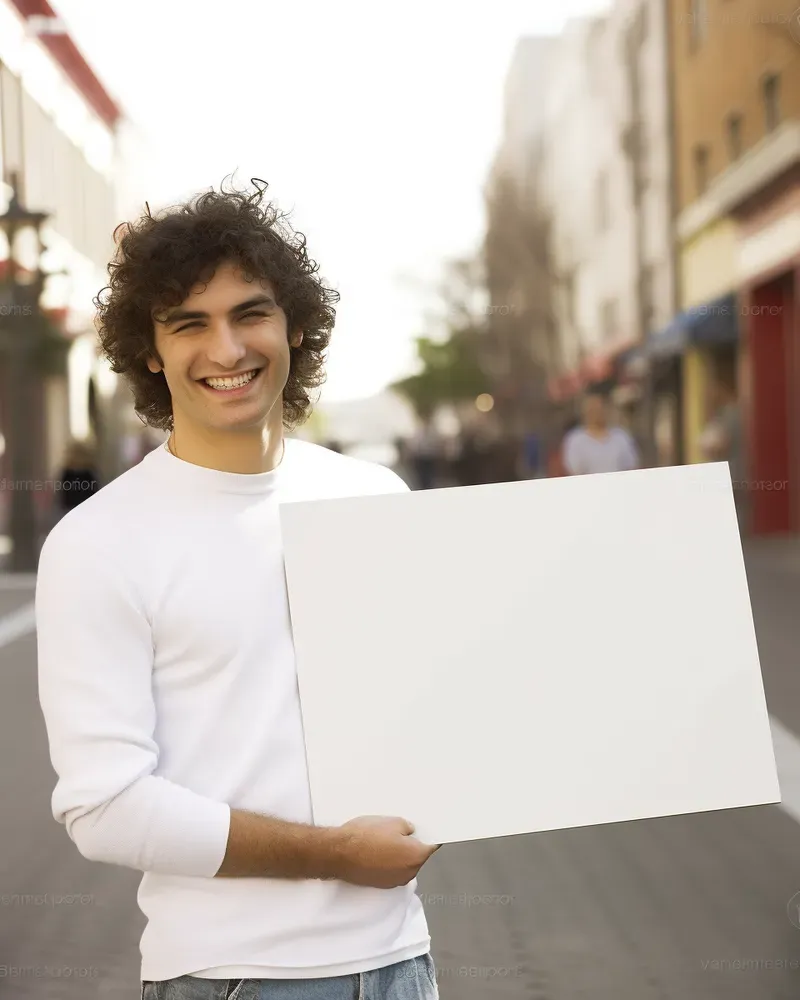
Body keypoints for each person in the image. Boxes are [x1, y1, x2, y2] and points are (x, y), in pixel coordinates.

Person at [35, 179, 440, 1000]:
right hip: (231, 978)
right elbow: (105, 808)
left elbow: (426, 711)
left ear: (294, 324)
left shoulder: (374, 498)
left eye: (249, 314)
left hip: (401, 963)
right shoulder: (98, 542)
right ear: (151, 350)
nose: (225, 350)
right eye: (189, 324)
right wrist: (336, 856)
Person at [562, 392, 639, 476]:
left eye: (600, 409)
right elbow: (574, 470)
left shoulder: (621, 436)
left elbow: (632, 466)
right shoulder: (575, 439)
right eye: (593, 410)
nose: (597, 413)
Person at [52, 438, 100, 522]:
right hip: (81, 509)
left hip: (74, 509)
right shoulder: (87, 472)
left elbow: (62, 493)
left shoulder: (69, 472)